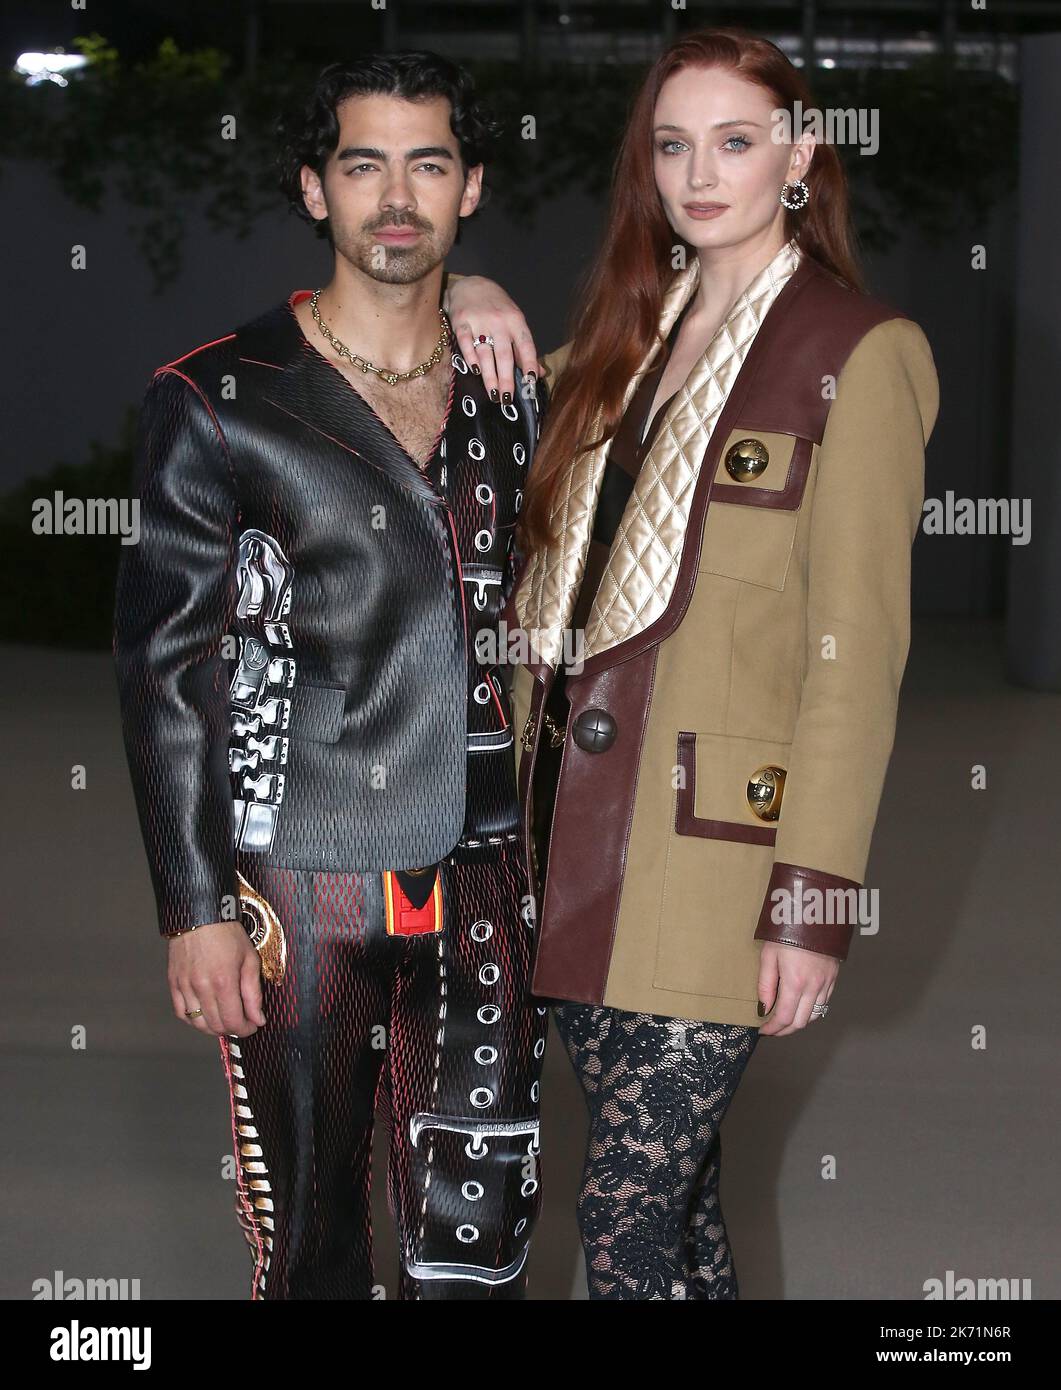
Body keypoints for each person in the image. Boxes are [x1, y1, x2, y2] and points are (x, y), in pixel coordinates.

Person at [445, 26, 939, 1299]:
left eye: (733, 140)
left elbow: (855, 658)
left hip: (716, 866)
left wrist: (813, 905)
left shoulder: (854, 353)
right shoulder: (620, 336)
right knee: (680, 1220)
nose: (698, 173)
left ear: (800, 151)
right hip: (566, 844)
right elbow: (472, 408)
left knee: (618, 1223)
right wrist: (461, 289)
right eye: (672, 145)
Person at [113, 51, 548, 1301]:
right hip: (294, 881)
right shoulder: (215, 398)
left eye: (429, 163)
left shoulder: (518, 393)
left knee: (475, 1248)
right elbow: (167, 670)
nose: (396, 196)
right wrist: (193, 905)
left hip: (489, 867)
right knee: (308, 1247)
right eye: (364, 165)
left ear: (469, 188)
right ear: (315, 190)